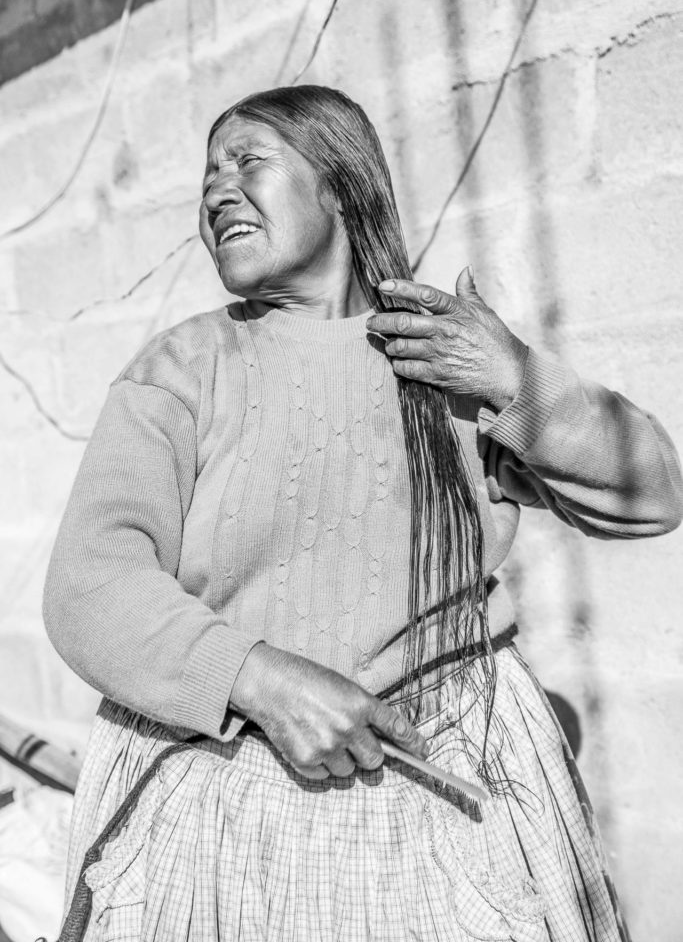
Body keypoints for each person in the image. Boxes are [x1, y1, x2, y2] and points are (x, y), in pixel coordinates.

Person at [43, 85, 682, 942]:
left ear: (339, 184)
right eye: (207, 177)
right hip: (222, 808)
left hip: (445, 800)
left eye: (248, 164)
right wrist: (258, 679)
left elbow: (651, 496)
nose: (216, 192)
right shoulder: (185, 368)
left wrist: (512, 378)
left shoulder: (442, 359)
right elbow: (91, 585)